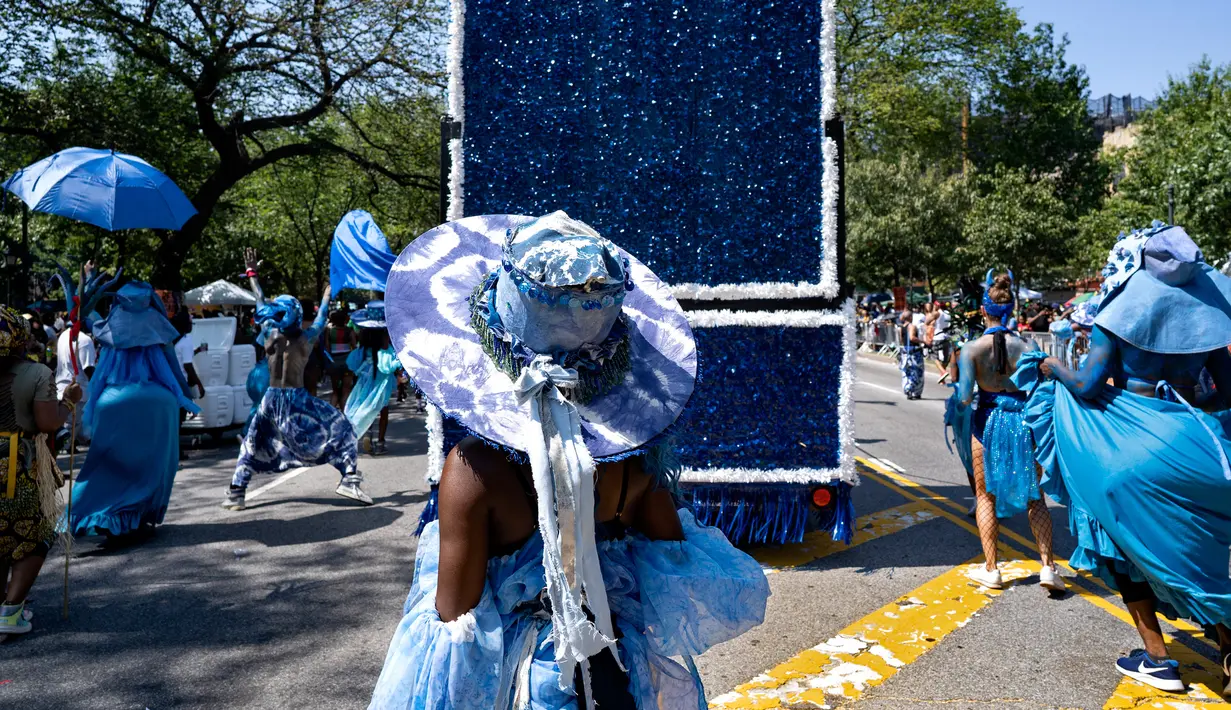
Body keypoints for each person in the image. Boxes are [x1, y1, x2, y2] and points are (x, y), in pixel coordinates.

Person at [368, 211, 770, 709]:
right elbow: (673, 564)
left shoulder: (474, 473)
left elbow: (455, 621)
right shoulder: (634, 461)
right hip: (617, 674)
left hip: (528, 688)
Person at [1024, 225, 1231, 694]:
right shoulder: (1211, 321)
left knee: (1121, 550)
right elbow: (1226, 396)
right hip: (1196, 449)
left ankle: (1158, 660)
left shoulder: (1118, 313)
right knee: (1197, 555)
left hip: (1128, 450)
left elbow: (1087, 386)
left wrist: (1050, 365)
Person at [224, 248, 368, 510]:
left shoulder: (269, 333)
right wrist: (328, 291)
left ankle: (236, 491)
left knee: (253, 441)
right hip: (296, 400)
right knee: (342, 429)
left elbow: (261, 302)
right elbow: (323, 315)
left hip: (270, 398)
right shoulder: (305, 339)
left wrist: (252, 273)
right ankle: (349, 478)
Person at [955, 271, 1063, 593]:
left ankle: (992, 570)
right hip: (1023, 425)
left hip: (986, 424)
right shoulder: (1028, 345)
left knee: (985, 497)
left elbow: (963, 399)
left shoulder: (971, 349)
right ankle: (1048, 568)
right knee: (1035, 497)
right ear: (1011, 311)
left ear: (984, 311)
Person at [69, 281, 200, 540]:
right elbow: (173, 367)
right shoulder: (158, 324)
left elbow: (88, 318)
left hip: (111, 397)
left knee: (104, 461)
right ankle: (138, 514)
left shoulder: (111, 324)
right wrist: (186, 395)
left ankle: (93, 511)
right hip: (157, 399)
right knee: (157, 462)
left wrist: (83, 300)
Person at [0, 305, 82, 635]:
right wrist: (70, 401)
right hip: (20, 467)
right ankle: (10, 611)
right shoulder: (36, 374)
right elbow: (48, 423)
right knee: (34, 535)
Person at [344, 301, 399, 455]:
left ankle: (367, 433)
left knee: (366, 406)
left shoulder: (364, 339)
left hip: (364, 379)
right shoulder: (384, 340)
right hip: (381, 380)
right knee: (383, 410)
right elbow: (387, 366)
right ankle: (381, 442)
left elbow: (353, 363)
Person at [54, 318, 96, 450]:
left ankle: (71, 444)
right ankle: (64, 447)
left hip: (61, 387)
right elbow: (88, 367)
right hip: (77, 388)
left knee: (67, 422)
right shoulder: (84, 340)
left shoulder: (63, 335)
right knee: (71, 425)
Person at [326, 308, 356, 409]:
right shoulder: (349, 331)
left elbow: (327, 348)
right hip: (348, 363)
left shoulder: (329, 331)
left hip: (334, 363)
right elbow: (354, 346)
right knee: (346, 390)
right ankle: (345, 415)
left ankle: (331, 414)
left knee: (335, 391)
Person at [898, 305, 925, 399]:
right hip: (914, 351)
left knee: (907, 372)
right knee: (917, 372)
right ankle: (915, 391)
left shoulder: (901, 327)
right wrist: (923, 341)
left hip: (905, 351)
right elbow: (912, 337)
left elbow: (902, 339)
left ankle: (908, 389)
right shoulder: (912, 326)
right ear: (910, 317)